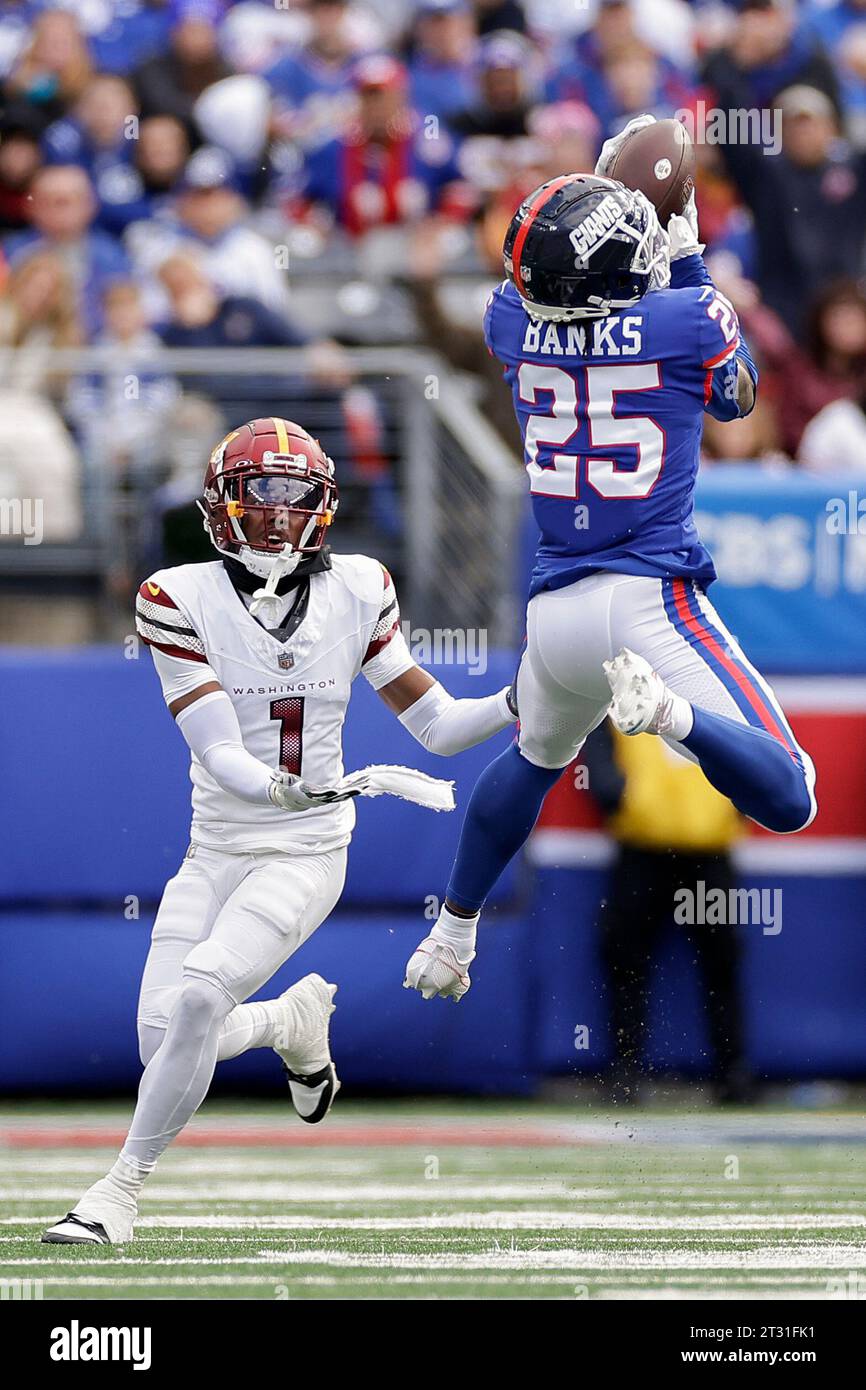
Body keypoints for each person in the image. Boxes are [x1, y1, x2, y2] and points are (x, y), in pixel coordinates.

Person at [41, 415, 518, 1245]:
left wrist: (522, 702)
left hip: (306, 852)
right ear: (222, 505)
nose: (273, 514)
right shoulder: (175, 596)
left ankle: (117, 1194)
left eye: (292, 495)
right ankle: (289, 1022)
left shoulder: (360, 589)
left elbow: (437, 725)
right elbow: (219, 748)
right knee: (165, 1038)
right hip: (218, 845)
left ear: (321, 507)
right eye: (257, 493)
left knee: (197, 1000)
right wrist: (277, 785)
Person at [402, 114, 817, 1005]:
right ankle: (668, 715)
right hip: (648, 599)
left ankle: (451, 932)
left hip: (555, 609)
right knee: (793, 793)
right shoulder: (685, 312)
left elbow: (560, 284)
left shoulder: (508, 319)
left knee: (534, 759)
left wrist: (635, 231)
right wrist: (689, 247)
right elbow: (738, 396)